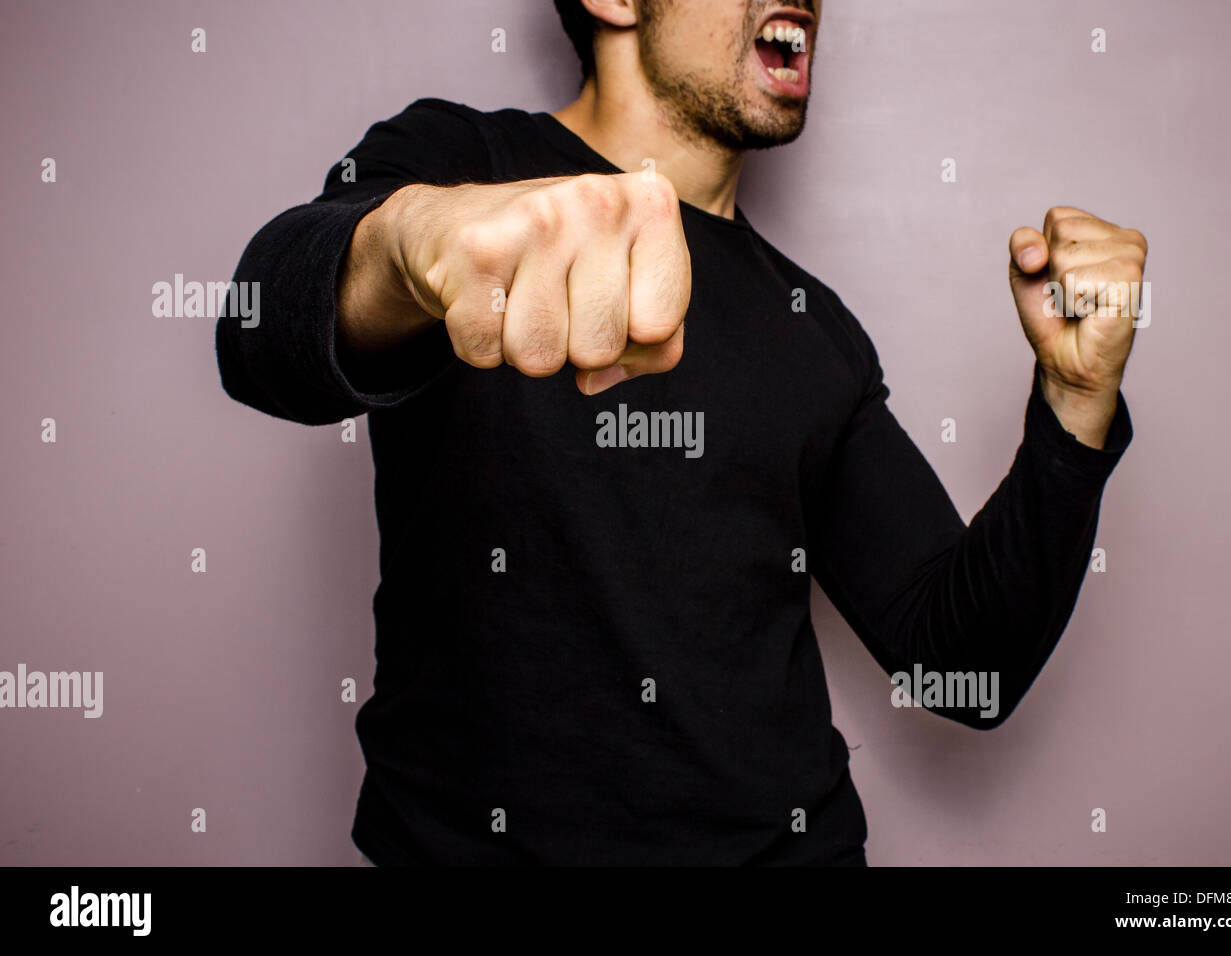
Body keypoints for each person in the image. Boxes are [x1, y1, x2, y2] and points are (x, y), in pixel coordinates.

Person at [215, 0, 1145, 866]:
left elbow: (961, 665)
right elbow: (258, 333)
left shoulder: (815, 325)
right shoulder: (461, 164)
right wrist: (411, 245)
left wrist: (1074, 402)